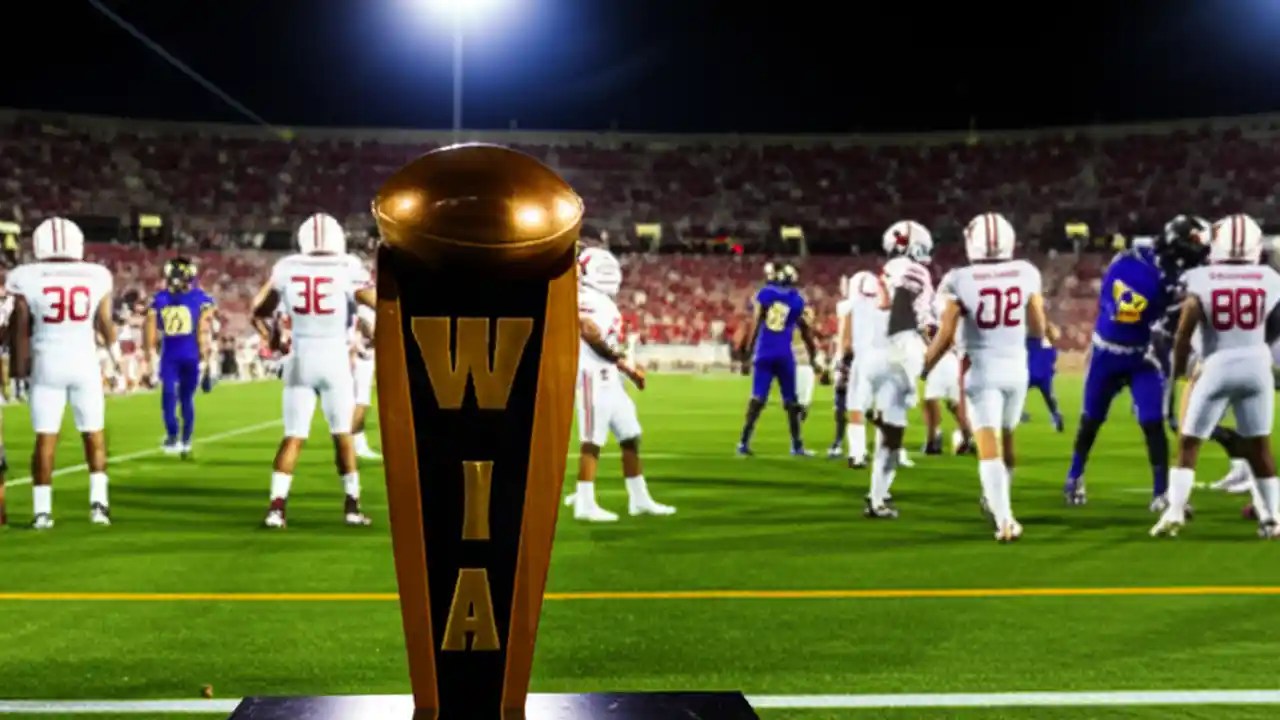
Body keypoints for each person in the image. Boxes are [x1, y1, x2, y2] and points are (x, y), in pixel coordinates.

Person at [1154, 214, 1280, 538]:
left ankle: (1175, 511)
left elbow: (1184, 333)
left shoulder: (1202, 278)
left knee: (1189, 442)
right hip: (1257, 366)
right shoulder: (1269, 278)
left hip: (1217, 365)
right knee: (1259, 447)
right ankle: (1273, 519)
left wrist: (1179, 372)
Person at [923, 212, 1047, 541]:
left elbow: (946, 333)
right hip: (1016, 368)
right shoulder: (1026, 272)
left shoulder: (958, 279)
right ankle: (997, 503)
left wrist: (924, 365)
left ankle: (1004, 519)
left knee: (987, 443)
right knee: (1007, 440)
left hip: (980, 368)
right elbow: (1038, 327)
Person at [251, 213, 374, 529]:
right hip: (334, 358)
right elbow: (375, 302)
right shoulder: (348, 266)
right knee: (342, 435)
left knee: (293, 436)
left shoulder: (287, 267)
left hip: (299, 358)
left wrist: (273, 337)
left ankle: (276, 508)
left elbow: (260, 309)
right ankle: (352, 506)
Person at [1063, 220, 1193, 509]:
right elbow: (1148, 312)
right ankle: (1074, 475)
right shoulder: (1149, 280)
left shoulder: (1140, 258)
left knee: (1152, 423)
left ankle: (1161, 493)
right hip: (1110, 355)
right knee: (1091, 421)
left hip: (1140, 356)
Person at [7, 217, 118, 529]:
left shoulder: (25, 276)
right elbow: (105, 324)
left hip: (47, 363)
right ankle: (99, 506)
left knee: (45, 439)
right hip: (84, 362)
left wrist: (19, 370)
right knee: (94, 434)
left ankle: (42, 512)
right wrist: (116, 357)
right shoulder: (97, 275)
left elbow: (21, 328)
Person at [567, 247, 674, 522]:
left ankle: (639, 499)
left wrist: (627, 368)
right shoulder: (585, 297)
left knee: (630, 435)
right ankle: (585, 503)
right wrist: (619, 359)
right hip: (591, 375)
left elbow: (604, 339)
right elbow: (587, 328)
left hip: (610, 377)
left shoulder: (601, 300)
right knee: (592, 441)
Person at [850, 220, 934, 518]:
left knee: (890, 427)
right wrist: (930, 348)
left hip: (872, 356)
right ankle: (877, 500)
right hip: (896, 355)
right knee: (893, 435)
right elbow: (911, 314)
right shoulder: (915, 272)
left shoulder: (880, 273)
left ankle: (878, 494)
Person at [736, 262, 817, 456]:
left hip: (764, 351)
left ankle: (743, 442)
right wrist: (813, 353)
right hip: (784, 354)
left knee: (757, 399)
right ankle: (797, 445)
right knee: (791, 401)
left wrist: (748, 353)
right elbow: (805, 331)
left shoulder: (765, 294)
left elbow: (756, 323)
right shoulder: (796, 300)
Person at [143, 257, 214, 457]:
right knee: (172, 396)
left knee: (181, 397)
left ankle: (183, 439)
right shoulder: (192, 298)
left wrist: (207, 359)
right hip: (177, 354)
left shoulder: (189, 298)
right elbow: (150, 329)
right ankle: (176, 437)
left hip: (182, 355)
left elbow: (204, 331)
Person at [921, 267, 975, 455]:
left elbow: (941, 333)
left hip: (944, 356)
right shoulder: (967, 301)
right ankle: (968, 437)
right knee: (954, 403)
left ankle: (933, 440)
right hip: (958, 356)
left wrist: (928, 360)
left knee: (930, 398)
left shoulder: (942, 303)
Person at [349, 303, 380, 460]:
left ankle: (358, 444)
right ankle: (352, 445)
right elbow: (365, 326)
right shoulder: (365, 308)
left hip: (365, 354)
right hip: (362, 356)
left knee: (360, 402)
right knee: (361, 402)